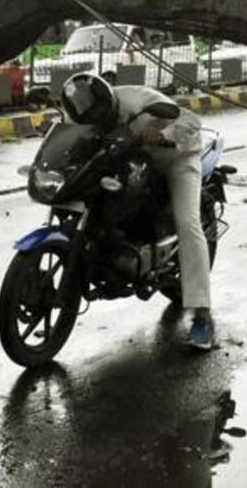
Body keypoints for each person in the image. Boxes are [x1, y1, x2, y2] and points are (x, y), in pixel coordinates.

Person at [60, 73, 216, 350]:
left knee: (187, 222)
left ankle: (202, 315)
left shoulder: (140, 100)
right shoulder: (81, 113)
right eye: (90, 118)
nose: (96, 120)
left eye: (100, 116)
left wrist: (163, 134)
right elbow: (71, 134)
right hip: (131, 162)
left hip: (176, 160)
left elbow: (192, 120)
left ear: (108, 103)